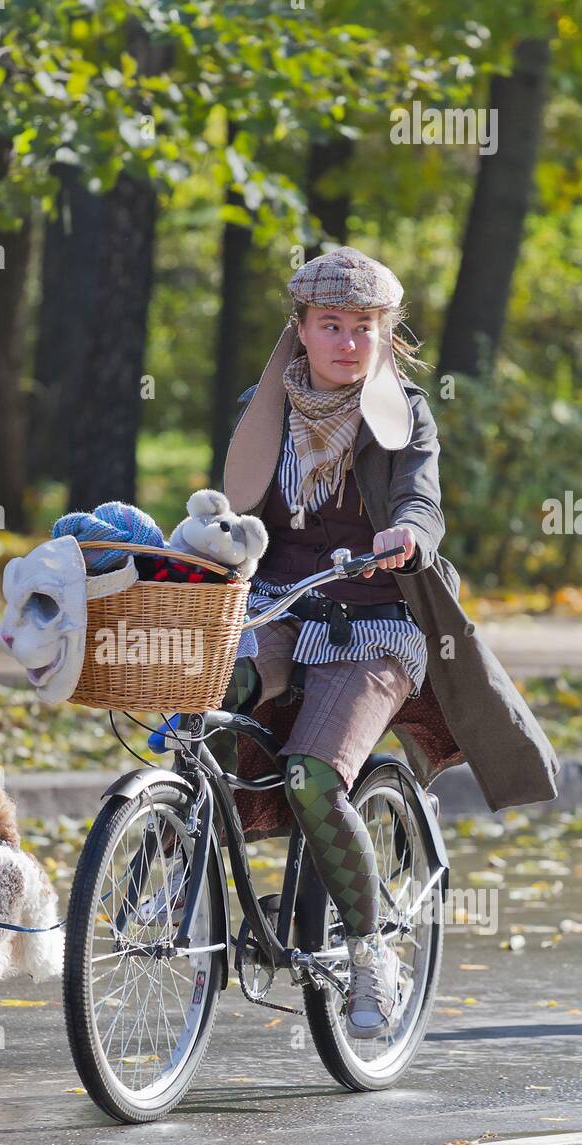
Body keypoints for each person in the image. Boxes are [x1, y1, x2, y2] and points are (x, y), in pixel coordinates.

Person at [220, 245, 557, 1041]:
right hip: (276, 609)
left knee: (311, 774)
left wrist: (409, 529)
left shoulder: (405, 414)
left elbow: (422, 498)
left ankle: (372, 951)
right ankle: (177, 864)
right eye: (330, 324)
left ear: (384, 333)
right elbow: (230, 506)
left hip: (374, 626)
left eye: (363, 327)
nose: (346, 342)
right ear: (299, 330)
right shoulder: (261, 408)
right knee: (207, 712)